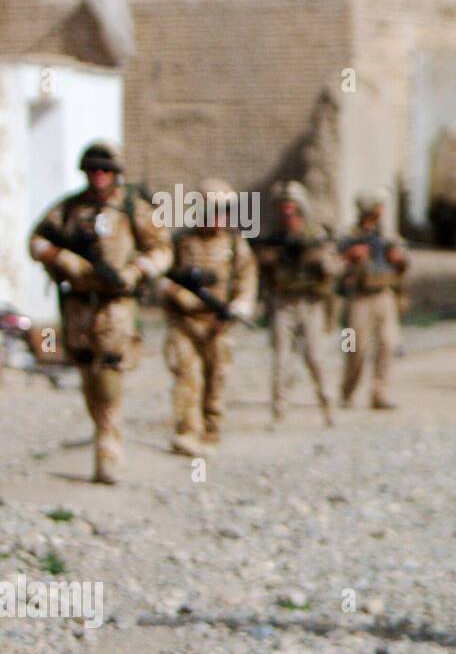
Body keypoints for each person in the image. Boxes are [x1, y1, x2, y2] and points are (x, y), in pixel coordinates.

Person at [28, 141, 172, 484]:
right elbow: (36, 242)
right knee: (87, 372)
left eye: (105, 170)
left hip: (116, 304)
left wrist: (136, 271)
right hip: (79, 303)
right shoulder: (69, 209)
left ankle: (108, 442)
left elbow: (162, 250)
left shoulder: (132, 208)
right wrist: (65, 260)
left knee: (109, 368)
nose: (99, 176)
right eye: (93, 170)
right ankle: (104, 430)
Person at [157, 178, 258, 455]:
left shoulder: (235, 244)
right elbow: (161, 277)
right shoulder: (181, 242)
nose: (219, 218)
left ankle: (211, 430)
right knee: (187, 376)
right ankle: (188, 431)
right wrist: (179, 295)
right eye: (214, 210)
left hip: (217, 324)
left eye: (225, 211)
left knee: (216, 378)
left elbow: (246, 279)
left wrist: (235, 309)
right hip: (184, 322)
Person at [257, 180, 340, 426]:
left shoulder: (316, 236)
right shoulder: (273, 239)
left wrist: (317, 257)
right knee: (281, 361)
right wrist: (271, 258)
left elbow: (334, 267)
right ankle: (279, 412)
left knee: (316, 358)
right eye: (283, 208)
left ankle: (328, 407)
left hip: (311, 303)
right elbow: (263, 268)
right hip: (284, 303)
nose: (287, 213)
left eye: (291, 208)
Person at [339, 188, 407, 410]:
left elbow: (403, 264)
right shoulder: (350, 235)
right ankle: (347, 392)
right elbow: (335, 265)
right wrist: (351, 256)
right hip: (360, 297)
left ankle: (380, 393)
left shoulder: (387, 236)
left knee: (387, 344)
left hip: (384, 295)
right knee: (355, 347)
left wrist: (399, 259)